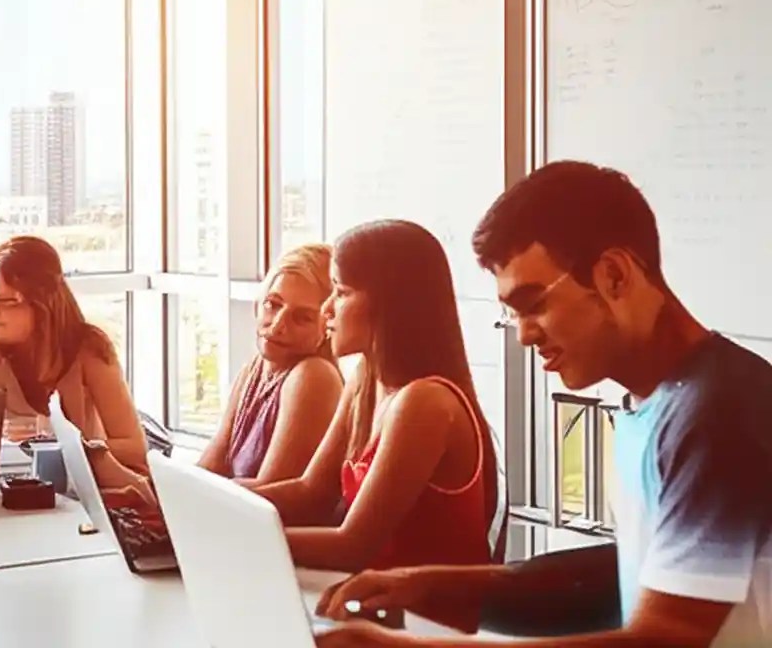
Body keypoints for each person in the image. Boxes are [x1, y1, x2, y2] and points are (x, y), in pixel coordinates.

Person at [314, 161, 772, 647]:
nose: (526, 334)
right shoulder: (660, 402)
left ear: (614, 276)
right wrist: (427, 582)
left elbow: (668, 637)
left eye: (534, 304)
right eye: (512, 314)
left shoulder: (718, 414)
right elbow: (626, 571)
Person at [253, 221, 504, 630]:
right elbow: (310, 492)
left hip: (426, 631)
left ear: (392, 305)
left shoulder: (423, 402)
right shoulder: (365, 382)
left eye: (342, 292)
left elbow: (353, 545)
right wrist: (195, 506)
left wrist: (232, 536)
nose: (326, 309)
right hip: (371, 613)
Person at [0, 235, 151, 495]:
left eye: (7, 301)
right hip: (5, 493)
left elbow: (135, 446)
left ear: (43, 302)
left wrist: (57, 445)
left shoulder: (89, 348)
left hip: (81, 494)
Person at [197, 244, 342, 486]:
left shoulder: (314, 375)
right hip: (233, 516)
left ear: (327, 325)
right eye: (272, 305)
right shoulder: (256, 367)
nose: (276, 326)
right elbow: (211, 466)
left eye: (302, 317)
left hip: (277, 523)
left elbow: (271, 492)